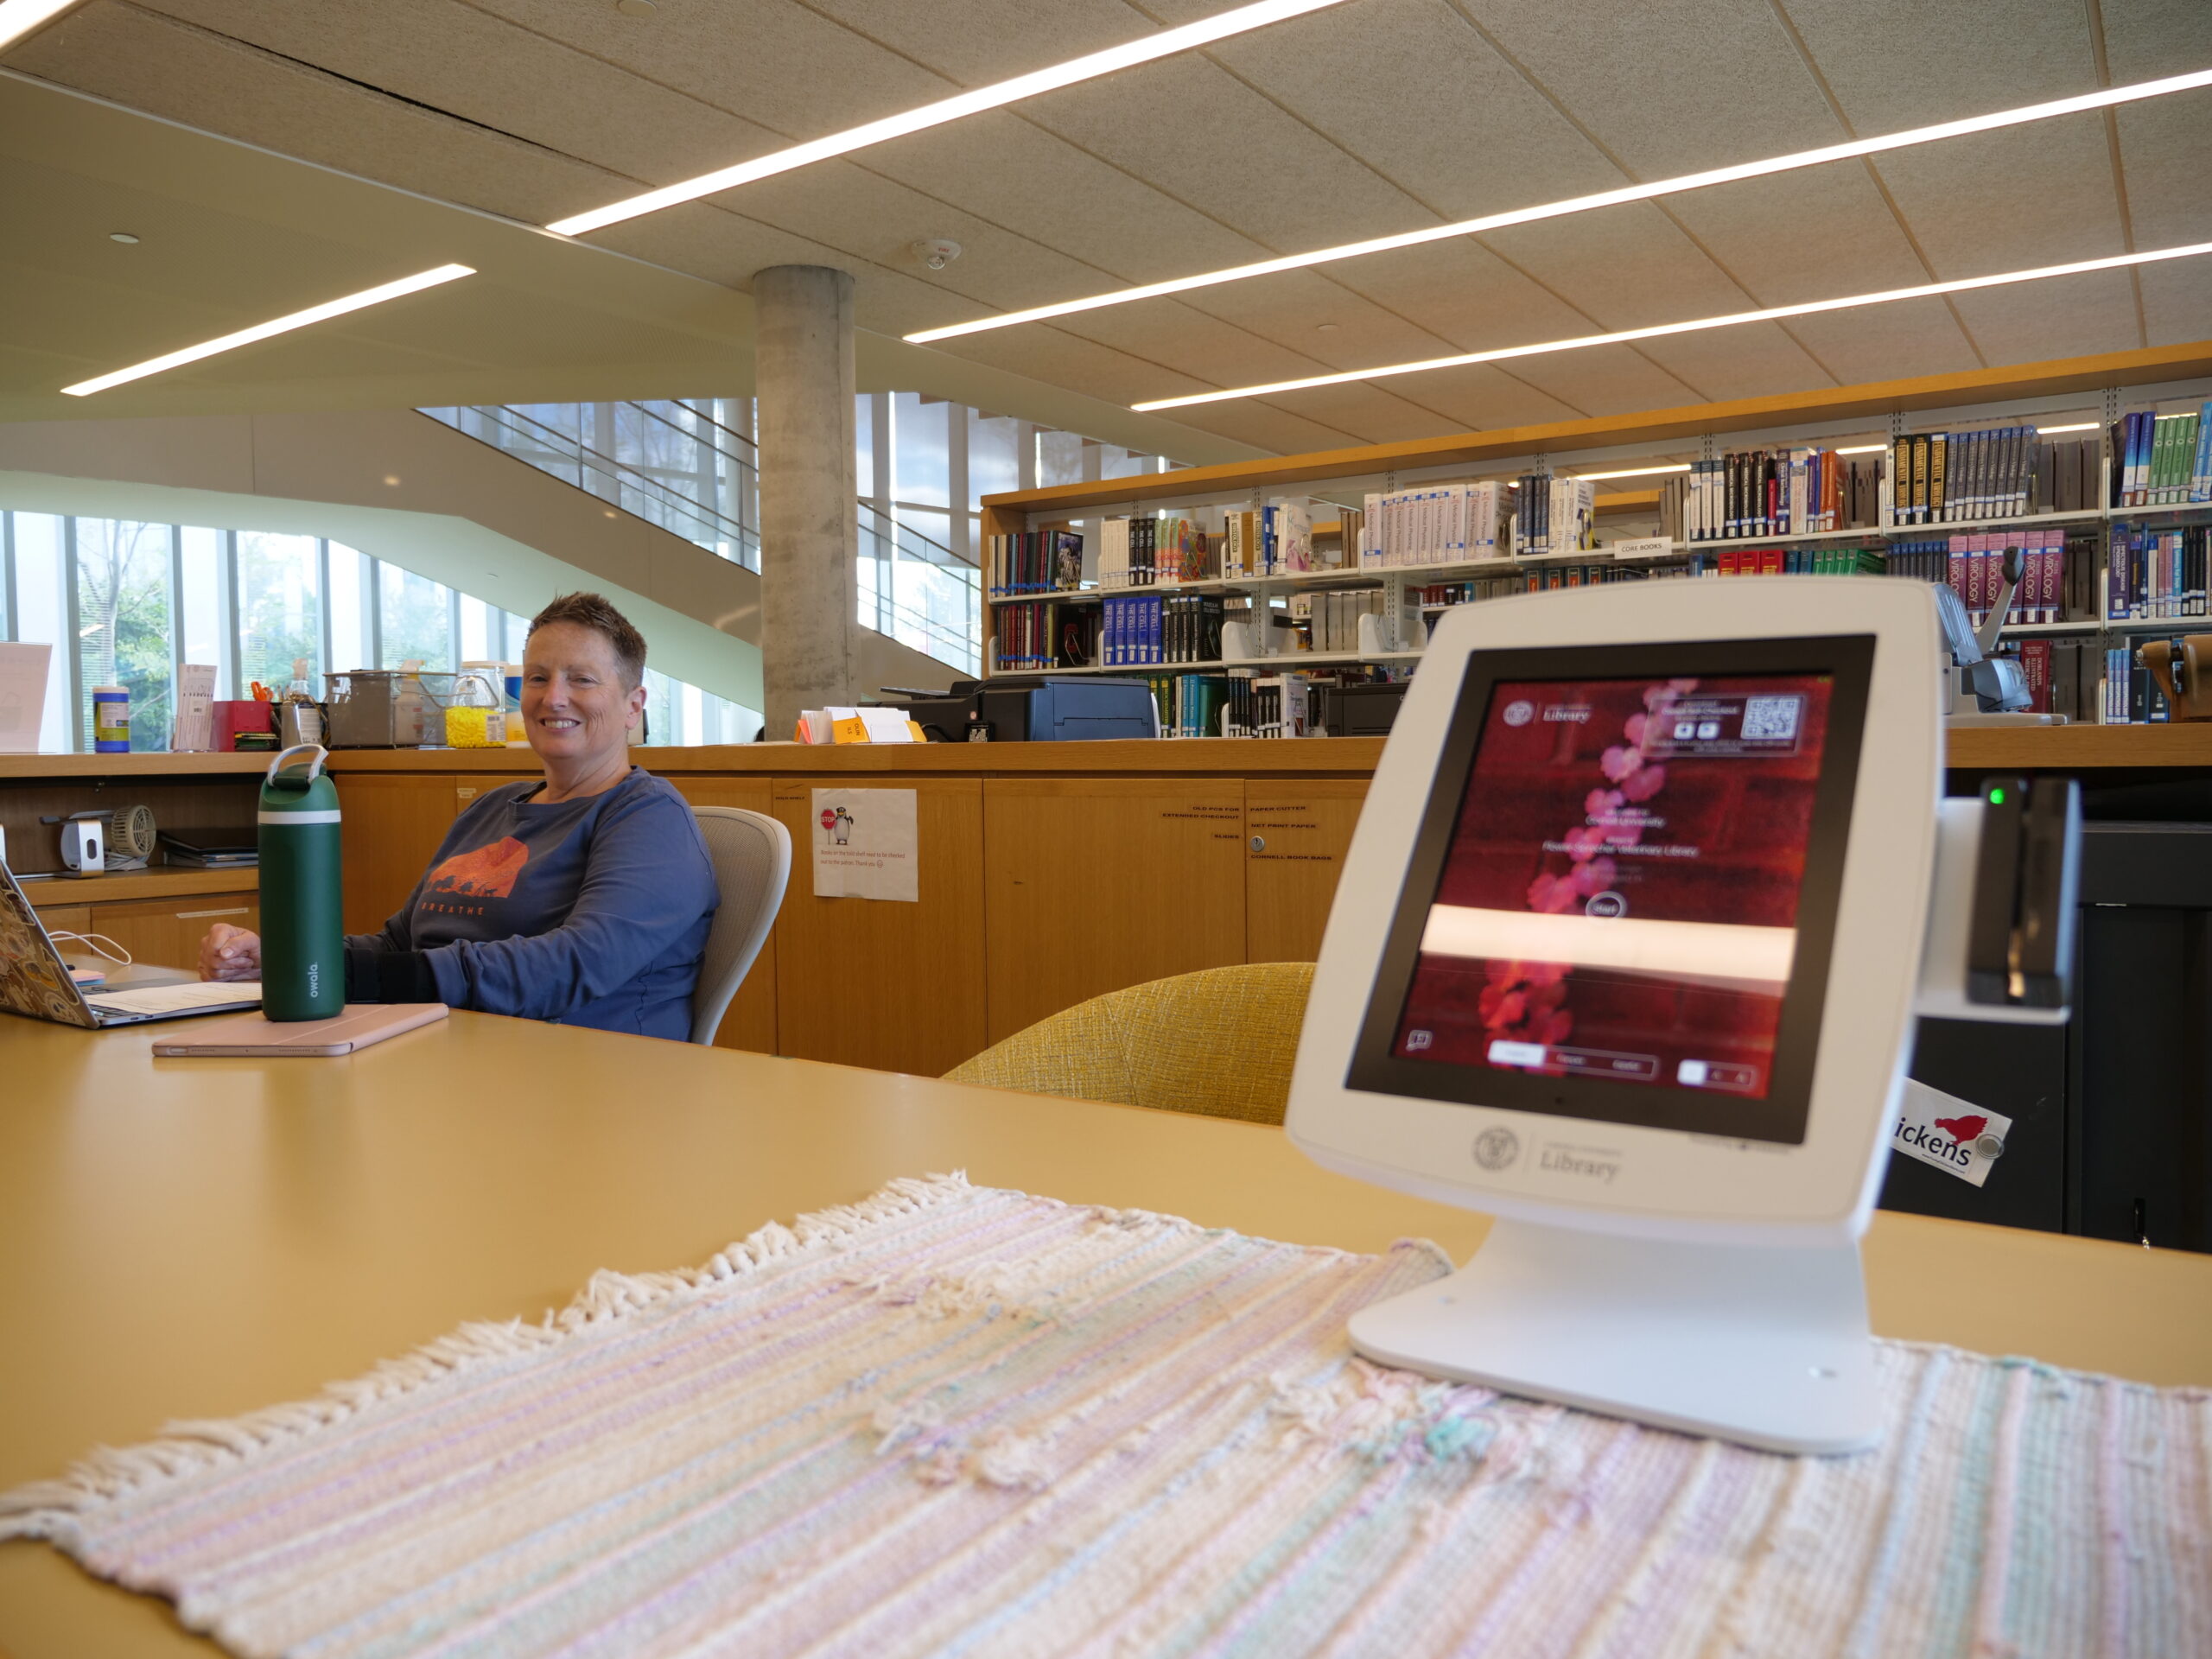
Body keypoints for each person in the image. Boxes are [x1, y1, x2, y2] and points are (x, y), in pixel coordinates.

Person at [200, 593, 719, 1041]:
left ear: (634, 706)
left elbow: (572, 965)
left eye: (581, 679)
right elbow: (397, 946)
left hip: (582, 1079)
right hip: (439, 1047)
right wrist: (285, 960)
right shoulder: (492, 809)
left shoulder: (649, 816)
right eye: (538, 677)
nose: (553, 696)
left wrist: (345, 977)